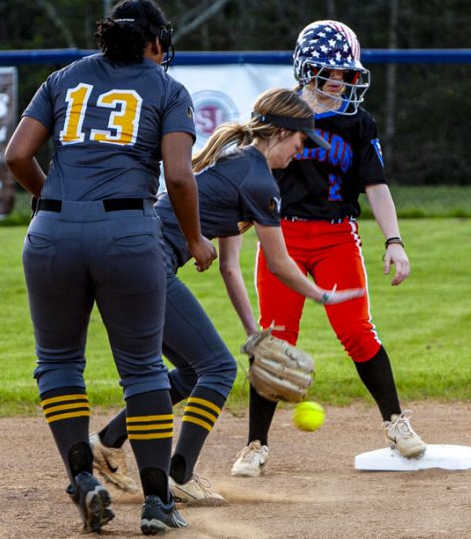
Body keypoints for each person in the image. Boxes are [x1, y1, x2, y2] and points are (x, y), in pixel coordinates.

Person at [89, 88, 366, 504]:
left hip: (123, 260)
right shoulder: (258, 180)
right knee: (218, 369)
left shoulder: (235, 162)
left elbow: (229, 267)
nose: (302, 149)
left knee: (190, 371)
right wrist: (321, 295)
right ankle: (180, 473)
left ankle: (107, 442)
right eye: (301, 139)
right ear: (280, 131)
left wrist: (253, 333)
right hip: (147, 264)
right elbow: (280, 263)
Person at [4, 0, 216, 534]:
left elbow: (16, 155)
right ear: (153, 42)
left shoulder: (64, 78)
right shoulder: (167, 89)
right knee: (143, 369)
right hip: (126, 232)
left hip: (51, 232)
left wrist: (52, 199)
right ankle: (155, 504)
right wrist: (194, 239)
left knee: (57, 363)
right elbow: (180, 176)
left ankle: (83, 480)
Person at [232, 20, 427, 478]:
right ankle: (255, 446)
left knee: (358, 331)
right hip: (282, 234)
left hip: (338, 235)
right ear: (305, 68)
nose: (340, 80)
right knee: (276, 339)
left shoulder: (358, 122)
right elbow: (252, 177)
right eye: (330, 71)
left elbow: (376, 186)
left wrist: (394, 241)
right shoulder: (280, 112)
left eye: (345, 73)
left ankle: (396, 423)